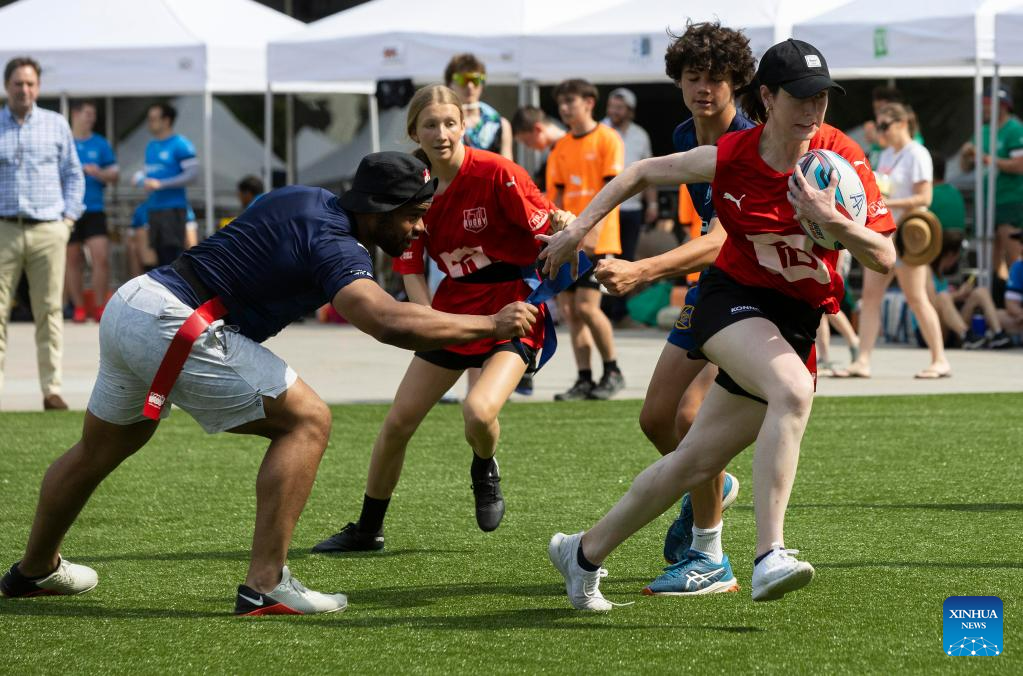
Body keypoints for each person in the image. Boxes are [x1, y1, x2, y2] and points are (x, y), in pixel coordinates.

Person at [0, 151, 538, 615]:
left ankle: (36, 569)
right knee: (307, 420)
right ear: (378, 210)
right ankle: (266, 585)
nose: (421, 228)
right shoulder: (338, 244)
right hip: (178, 323)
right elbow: (386, 321)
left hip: (132, 303)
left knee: (99, 448)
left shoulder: (303, 197)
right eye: (415, 215)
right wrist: (491, 324)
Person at [539, 39, 896, 609]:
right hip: (732, 301)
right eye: (800, 98)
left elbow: (885, 256)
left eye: (822, 98)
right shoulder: (734, 153)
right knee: (792, 390)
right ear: (768, 98)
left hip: (796, 320)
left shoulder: (839, 155)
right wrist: (577, 229)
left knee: (695, 460)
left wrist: (836, 223)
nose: (813, 111)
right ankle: (768, 554)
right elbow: (638, 174)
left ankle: (582, 552)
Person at [311, 86, 562, 553]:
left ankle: (484, 466)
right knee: (397, 422)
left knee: (478, 411)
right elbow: (409, 268)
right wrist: (427, 321)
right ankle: (369, 529)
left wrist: (569, 242)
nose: (442, 133)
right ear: (414, 132)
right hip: (454, 306)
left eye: (450, 123)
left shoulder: (498, 173)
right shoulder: (411, 187)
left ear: (463, 125)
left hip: (515, 306)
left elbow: (553, 238)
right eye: (430, 124)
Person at [583, 21, 756, 595]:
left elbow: (727, 236)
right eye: (692, 77)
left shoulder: (751, 140)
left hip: (755, 296)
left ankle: (711, 557)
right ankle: (715, 481)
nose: (703, 87)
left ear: (737, 82)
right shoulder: (685, 133)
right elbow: (708, 227)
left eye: (715, 78)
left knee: (689, 419)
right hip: (713, 287)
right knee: (656, 417)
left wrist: (642, 269)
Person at [841, 102, 950, 379]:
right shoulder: (886, 153)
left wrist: (891, 202)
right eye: (879, 125)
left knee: (916, 297)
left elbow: (925, 199)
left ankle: (939, 359)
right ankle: (862, 360)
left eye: (884, 125)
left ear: (902, 124)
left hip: (908, 236)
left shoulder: (918, 154)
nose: (881, 131)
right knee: (871, 296)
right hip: (884, 233)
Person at [0, 57, 84, 411]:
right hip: (4, 228)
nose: (25, 90)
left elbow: (73, 174)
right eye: (18, 83)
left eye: (31, 83)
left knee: (49, 310)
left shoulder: (55, 124)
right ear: (7, 87)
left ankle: (51, 389)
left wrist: (67, 221)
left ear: (38, 87)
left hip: (49, 228)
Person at [548, 79, 626, 401]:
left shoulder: (608, 139)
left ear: (589, 103)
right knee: (570, 311)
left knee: (587, 307)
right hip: (569, 240)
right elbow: (557, 198)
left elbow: (613, 193)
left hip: (599, 239)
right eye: (562, 102)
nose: (565, 108)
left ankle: (612, 371)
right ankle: (584, 378)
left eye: (571, 101)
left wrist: (590, 237)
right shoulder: (561, 146)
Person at [960, 86, 1023, 283]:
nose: (984, 108)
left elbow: (1019, 165)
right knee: (991, 257)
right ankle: (1001, 295)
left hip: (1010, 199)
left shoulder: (1015, 129)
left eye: (988, 104)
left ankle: (1017, 297)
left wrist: (985, 158)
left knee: (1014, 253)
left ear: (1003, 106)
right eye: (984, 104)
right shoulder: (983, 131)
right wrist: (966, 154)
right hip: (987, 200)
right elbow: (965, 168)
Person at [67, 100, 118, 323]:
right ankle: (78, 308)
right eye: (88, 114)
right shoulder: (64, 140)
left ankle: (99, 306)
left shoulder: (101, 144)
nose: (92, 119)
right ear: (75, 114)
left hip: (95, 209)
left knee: (101, 257)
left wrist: (98, 172)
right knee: (73, 259)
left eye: (94, 115)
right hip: (69, 209)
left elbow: (115, 175)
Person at [136, 103, 199, 266]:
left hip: (173, 209)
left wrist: (161, 184)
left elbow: (193, 175)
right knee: (158, 259)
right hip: (153, 209)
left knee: (173, 258)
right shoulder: (151, 145)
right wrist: (140, 178)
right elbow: (148, 172)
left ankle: (176, 292)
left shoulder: (180, 144)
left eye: (153, 119)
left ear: (166, 121)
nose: (149, 122)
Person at [928, 231, 1011, 349]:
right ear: (951, 254)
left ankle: (998, 334)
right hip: (930, 330)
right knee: (943, 297)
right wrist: (958, 294)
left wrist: (961, 295)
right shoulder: (927, 271)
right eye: (958, 256)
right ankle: (966, 335)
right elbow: (932, 302)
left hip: (950, 330)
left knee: (980, 292)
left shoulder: (941, 276)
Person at [444, 53, 513, 160]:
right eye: (463, 79)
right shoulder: (440, 122)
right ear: (449, 84)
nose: (470, 86)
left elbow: (508, 169)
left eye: (476, 80)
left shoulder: (500, 124)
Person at [511, 105, 565, 195]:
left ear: (538, 129)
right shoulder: (552, 154)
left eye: (527, 141)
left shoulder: (569, 148)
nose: (528, 147)